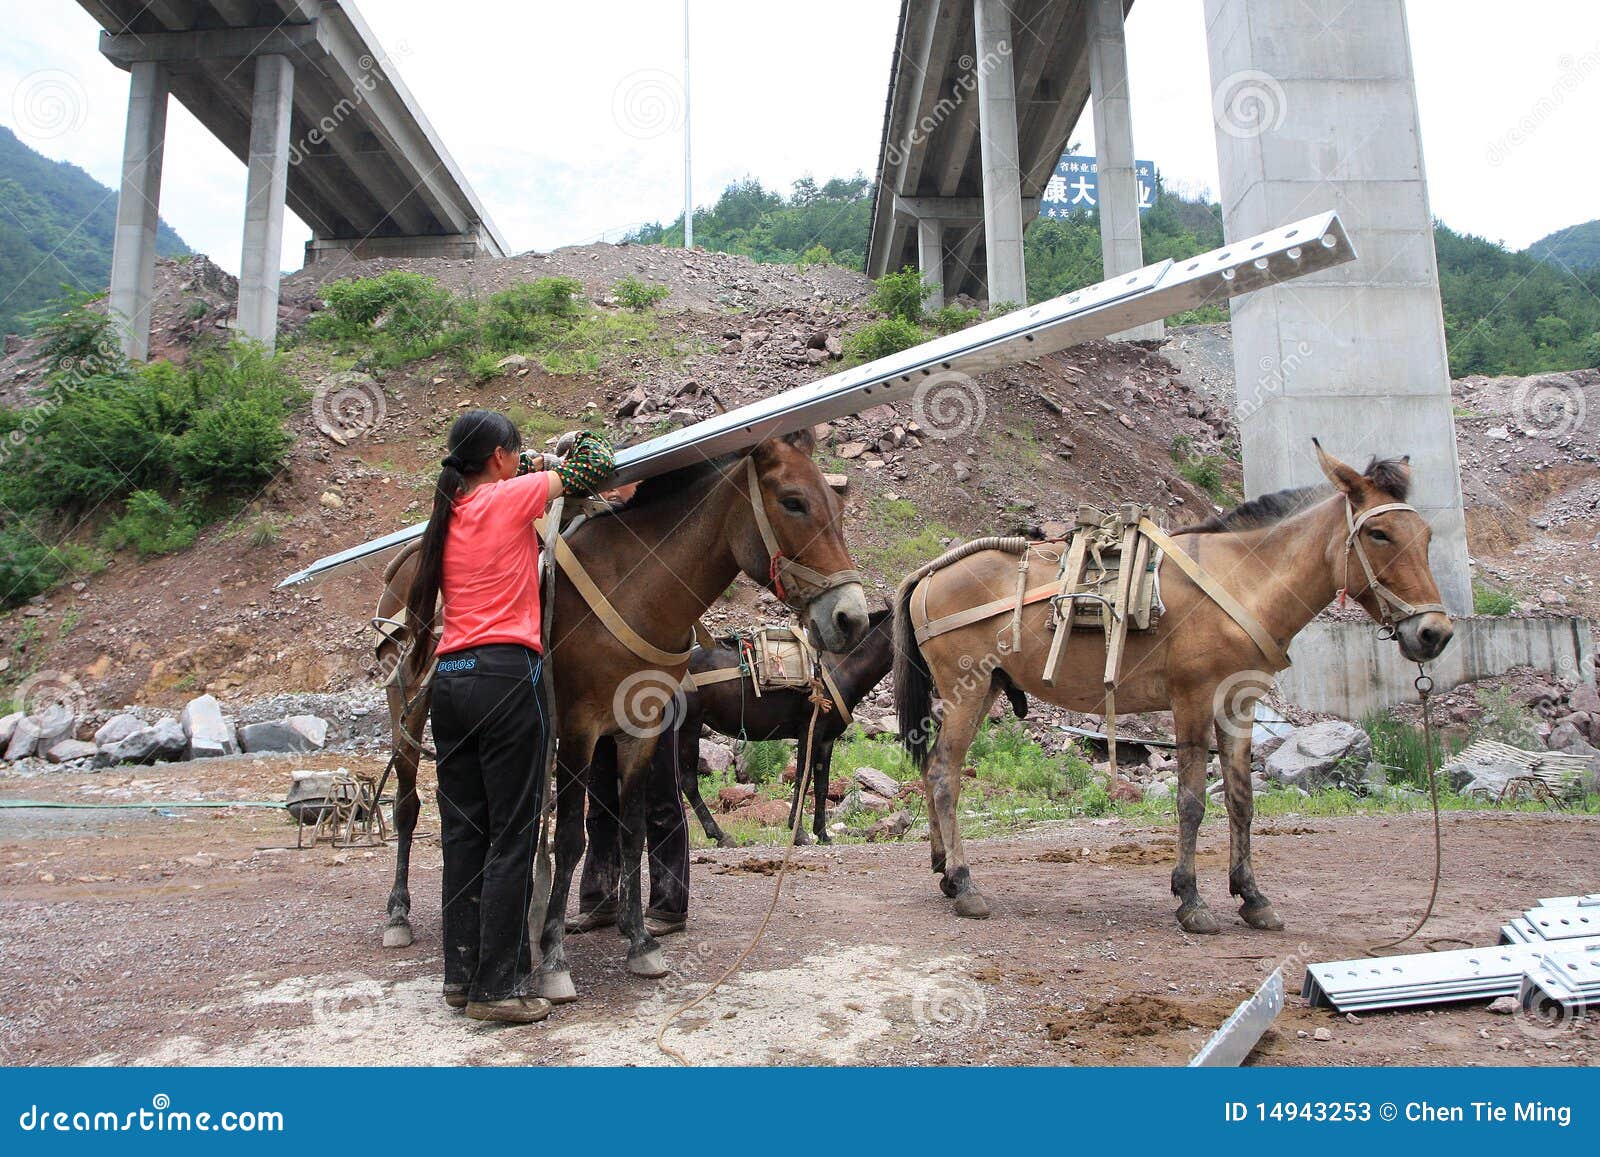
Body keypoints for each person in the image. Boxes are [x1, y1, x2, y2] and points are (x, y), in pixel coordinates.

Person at [403, 410, 612, 1024]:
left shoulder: (449, 516)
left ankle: (462, 978)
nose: (521, 460)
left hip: (451, 681)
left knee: (465, 835)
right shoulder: (512, 495)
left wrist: (530, 465)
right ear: (499, 457)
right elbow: (599, 464)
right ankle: (499, 988)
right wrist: (550, 461)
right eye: (516, 452)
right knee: (513, 833)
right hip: (504, 678)